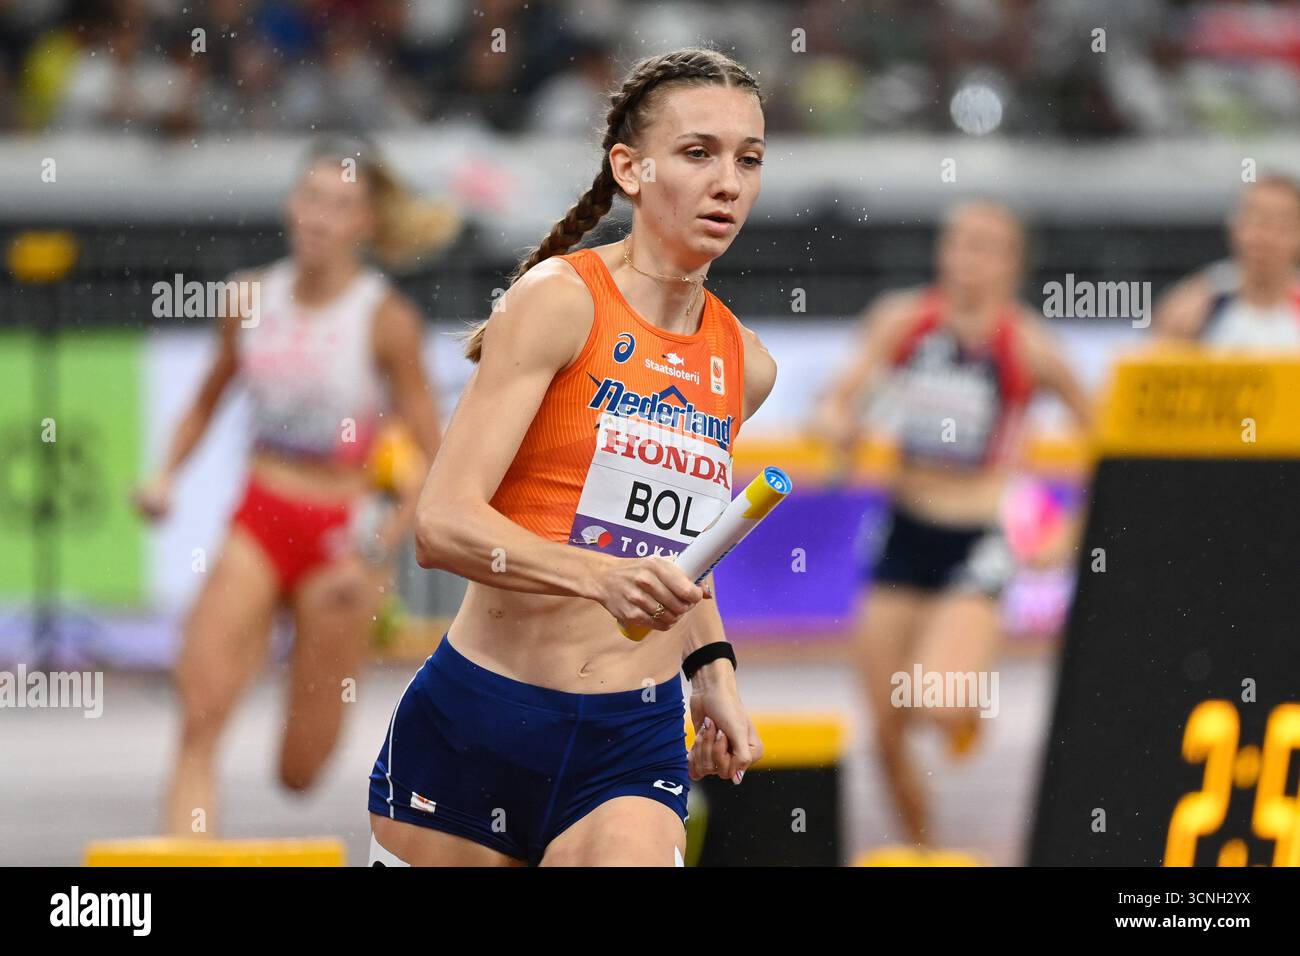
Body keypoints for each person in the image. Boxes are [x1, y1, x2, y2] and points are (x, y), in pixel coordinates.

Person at [367, 47, 778, 867]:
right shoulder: (558, 301)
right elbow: (442, 527)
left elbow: (680, 548)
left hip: (630, 745)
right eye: (698, 153)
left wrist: (713, 671)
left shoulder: (746, 364)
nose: (727, 182)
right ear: (630, 167)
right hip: (477, 724)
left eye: (749, 159)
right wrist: (599, 575)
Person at [134, 135, 447, 837]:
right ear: (290, 205)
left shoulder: (384, 319)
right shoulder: (248, 296)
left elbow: (435, 454)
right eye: (310, 198)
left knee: (298, 772)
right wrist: (163, 476)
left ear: (364, 224)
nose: (318, 217)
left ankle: (313, 678)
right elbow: (206, 403)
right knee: (199, 714)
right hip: (259, 517)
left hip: (339, 541)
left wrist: (378, 548)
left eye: (339, 206)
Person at [809, 201, 1092, 846]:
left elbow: (1106, 440)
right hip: (904, 531)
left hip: (980, 540)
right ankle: (924, 848)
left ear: (1012, 264)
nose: (969, 259)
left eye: (987, 247)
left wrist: (1071, 533)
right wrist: (835, 428)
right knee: (883, 725)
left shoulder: (1029, 346)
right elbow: (835, 401)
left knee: (936, 699)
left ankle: (962, 711)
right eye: (960, 243)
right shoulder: (901, 321)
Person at [1154, 175, 1300, 349]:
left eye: (1279, 226)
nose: (1263, 237)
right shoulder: (1195, 308)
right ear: (1235, 227)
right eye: (1254, 221)